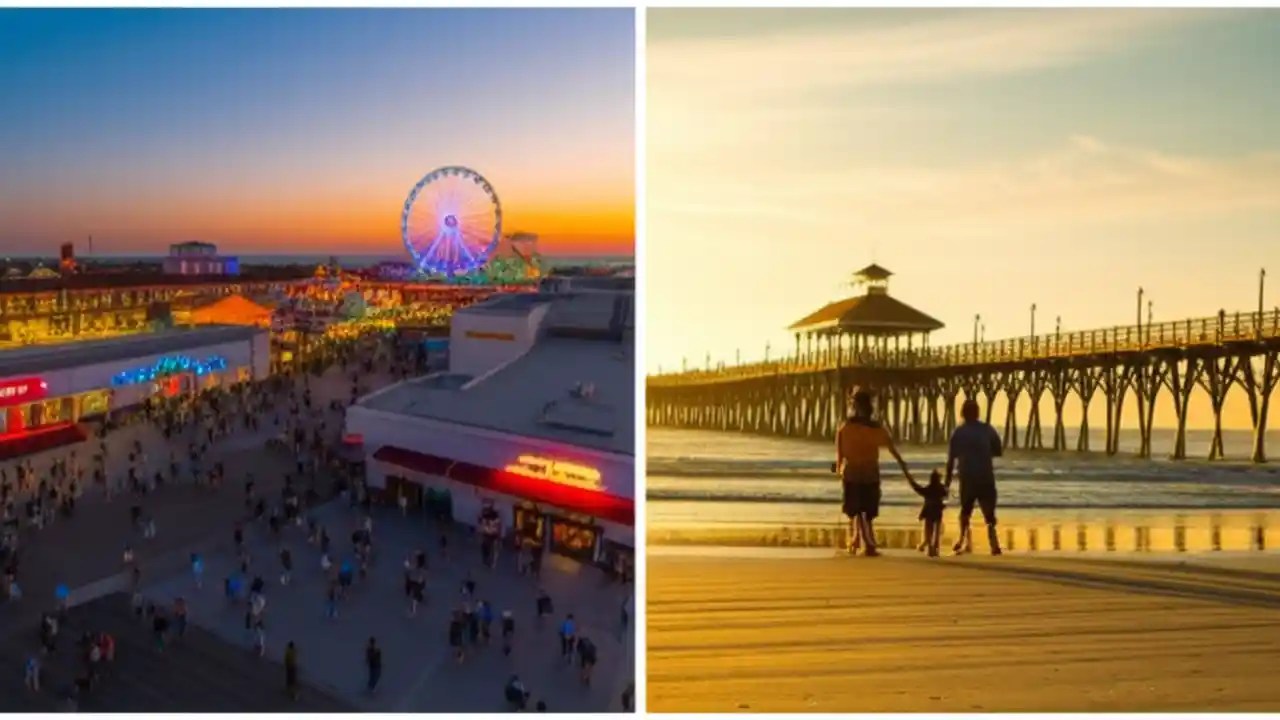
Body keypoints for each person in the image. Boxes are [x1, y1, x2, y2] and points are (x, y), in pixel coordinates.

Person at [835, 389, 914, 556]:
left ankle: (858, 539)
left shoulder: (845, 428)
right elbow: (893, 450)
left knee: (855, 509)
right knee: (867, 510)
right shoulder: (876, 428)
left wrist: (839, 469)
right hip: (870, 473)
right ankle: (864, 540)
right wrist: (904, 468)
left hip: (853, 472)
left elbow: (840, 456)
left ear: (854, 406)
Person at [945, 398, 1004, 555]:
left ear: (963, 413)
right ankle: (994, 543)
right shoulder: (987, 429)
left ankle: (962, 540)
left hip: (968, 476)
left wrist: (946, 483)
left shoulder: (958, 432)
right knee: (989, 512)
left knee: (965, 511)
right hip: (985, 475)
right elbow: (999, 450)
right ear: (977, 413)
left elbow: (951, 460)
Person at [908, 470, 948, 557]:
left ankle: (930, 548)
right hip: (937, 512)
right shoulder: (941, 489)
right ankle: (934, 549)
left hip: (929, 511)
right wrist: (944, 505)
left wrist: (910, 479)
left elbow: (917, 488)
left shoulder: (929, 489)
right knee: (936, 532)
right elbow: (945, 497)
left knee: (929, 532)